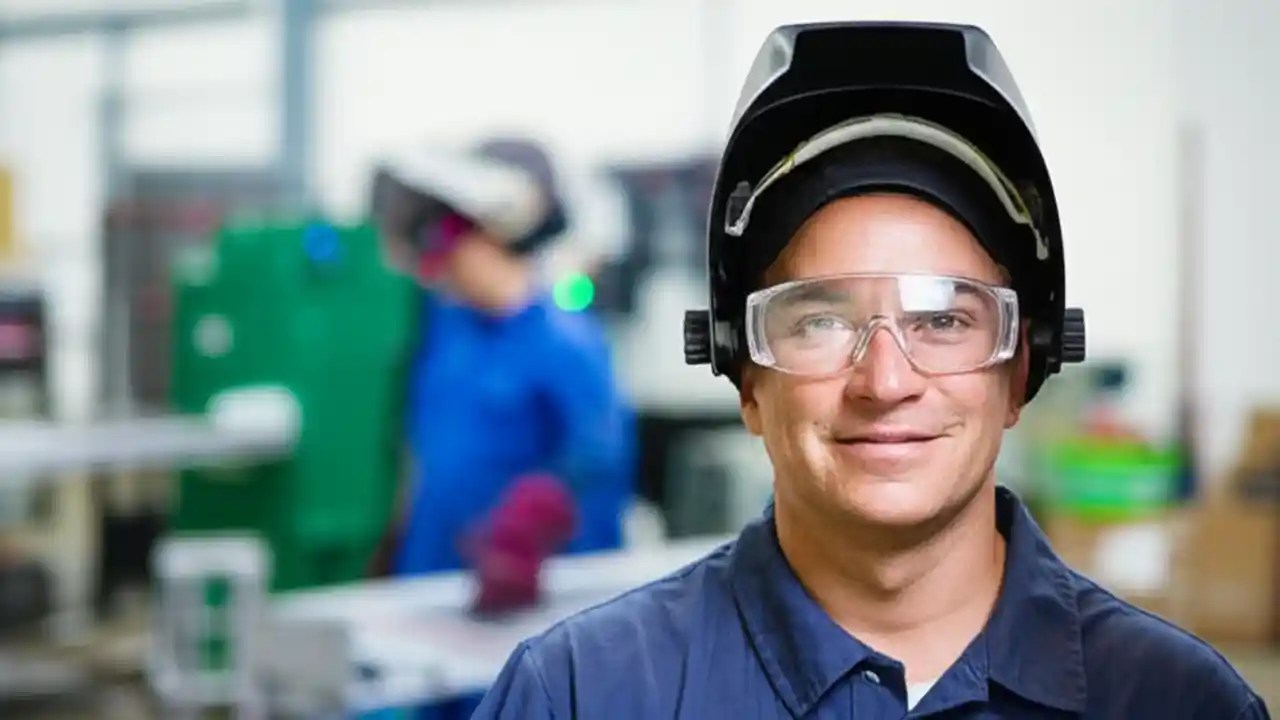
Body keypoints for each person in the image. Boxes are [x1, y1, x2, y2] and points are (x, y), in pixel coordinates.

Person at [471, 22, 1270, 719]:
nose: (885, 382)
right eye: (822, 321)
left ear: (1024, 367)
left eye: (946, 319)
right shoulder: (581, 695)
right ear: (742, 374)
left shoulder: (1176, 701)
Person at [369, 138, 636, 597]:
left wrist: (528, 539)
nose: (441, 267)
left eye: (446, 245)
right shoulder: (448, 329)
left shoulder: (565, 343)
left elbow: (597, 466)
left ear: (485, 238)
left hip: (523, 599)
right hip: (429, 582)